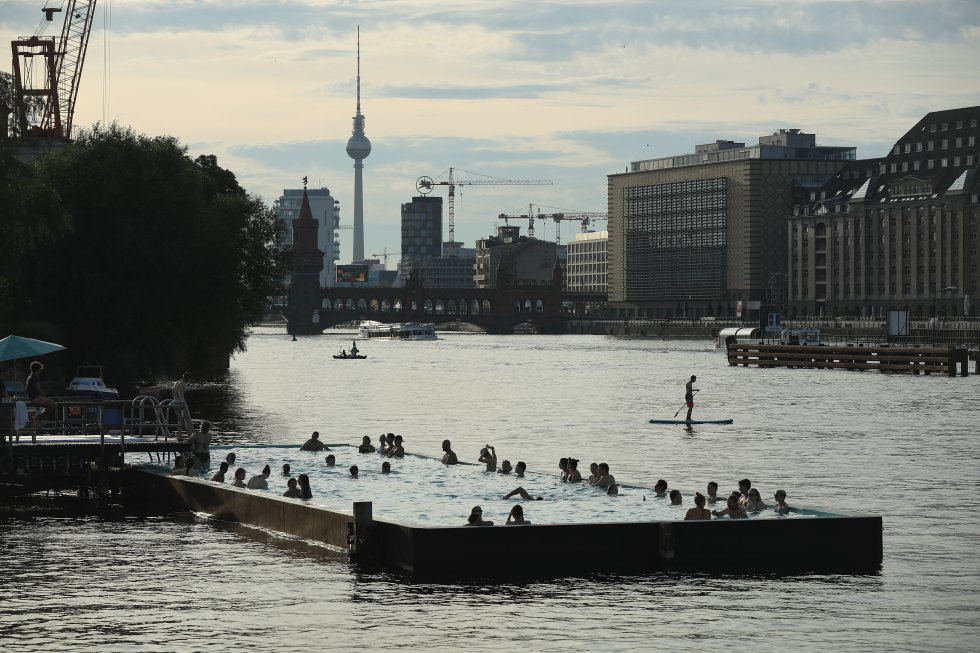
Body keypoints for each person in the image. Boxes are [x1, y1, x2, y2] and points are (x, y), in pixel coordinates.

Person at [171, 372, 194, 437]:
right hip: (181, 405)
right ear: (188, 379)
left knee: (180, 419)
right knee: (188, 420)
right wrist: (182, 402)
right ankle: (190, 435)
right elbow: (180, 392)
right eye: (189, 380)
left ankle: (180, 435)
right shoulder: (183, 383)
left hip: (175, 403)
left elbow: (172, 392)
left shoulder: (177, 382)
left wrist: (176, 399)